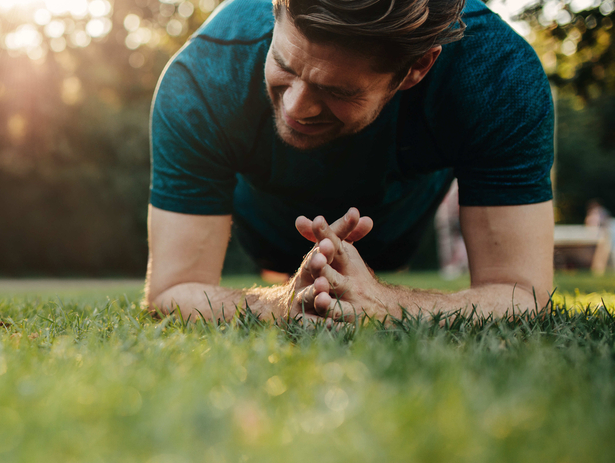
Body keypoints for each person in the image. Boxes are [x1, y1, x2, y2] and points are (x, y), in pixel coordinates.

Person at [145, 0, 555, 322]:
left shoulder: (497, 77)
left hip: (396, 228)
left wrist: (385, 303)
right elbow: (171, 289)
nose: (295, 108)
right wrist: (283, 304)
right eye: (285, 66)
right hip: (267, 230)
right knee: (276, 266)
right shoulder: (203, 75)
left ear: (418, 67)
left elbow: (524, 293)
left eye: (336, 89)